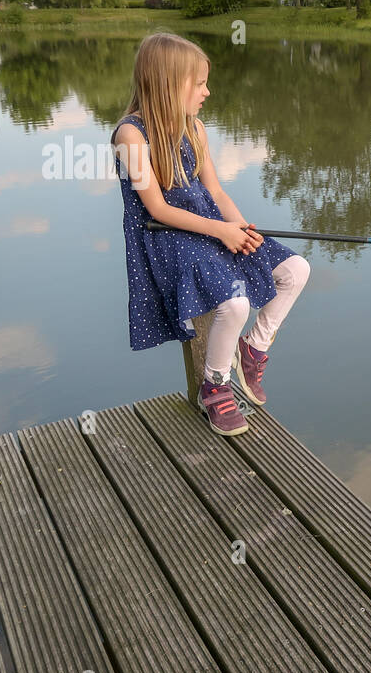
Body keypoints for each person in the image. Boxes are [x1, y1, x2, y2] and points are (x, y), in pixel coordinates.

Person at [111, 32, 310, 436]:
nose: (207, 91)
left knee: (296, 270)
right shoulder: (130, 136)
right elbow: (158, 209)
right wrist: (222, 231)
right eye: (198, 83)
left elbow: (216, 191)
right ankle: (214, 386)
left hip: (211, 226)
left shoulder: (195, 128)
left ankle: (253, 349)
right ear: (168, 83)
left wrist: (241, 230)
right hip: (167, 239)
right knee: (234, 303)